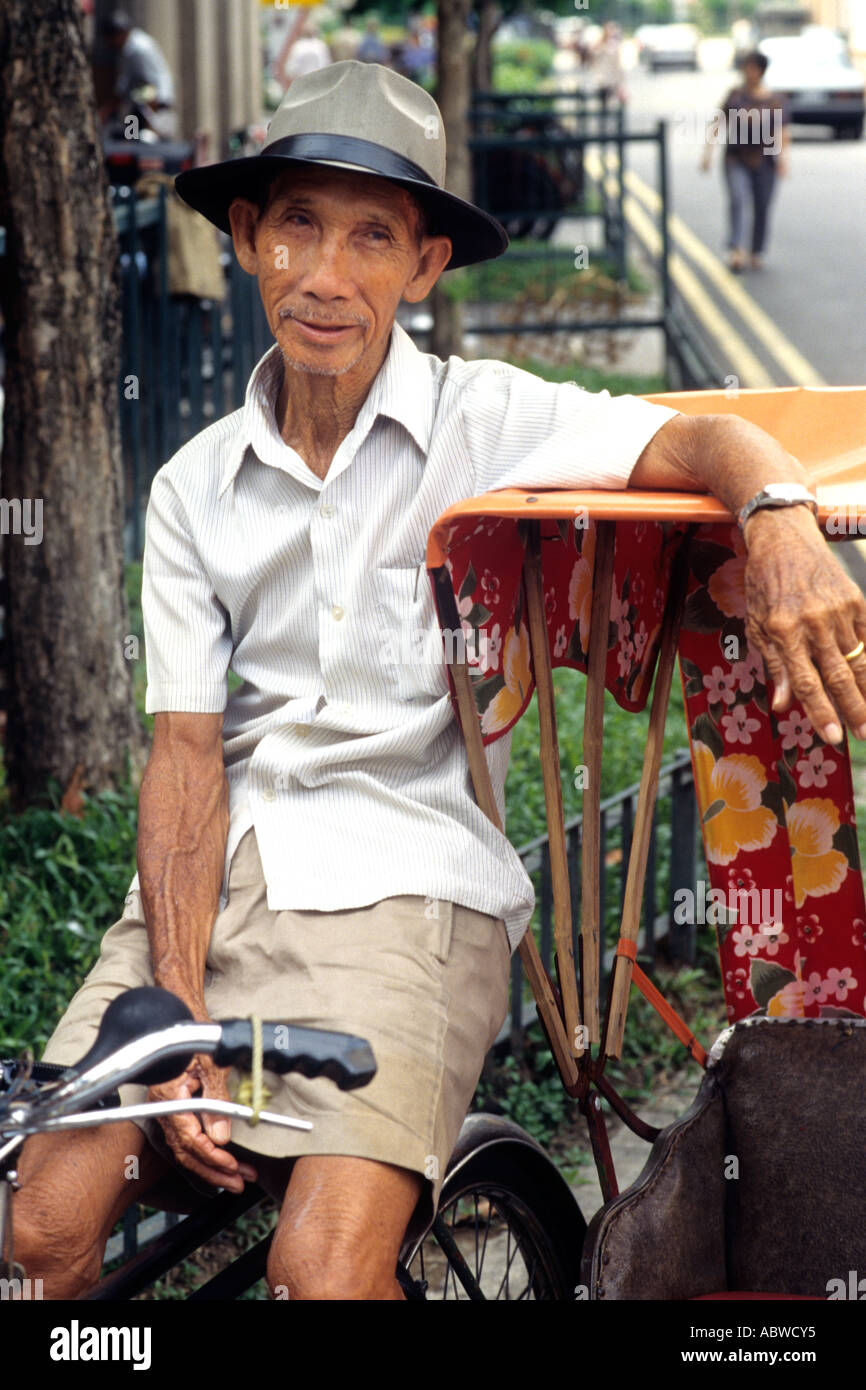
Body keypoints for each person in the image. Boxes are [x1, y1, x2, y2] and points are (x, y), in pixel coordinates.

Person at [14, 61, 866, 1302]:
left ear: (421, 267)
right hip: (215, 890)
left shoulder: (486, 419)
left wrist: (776, 512)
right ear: (248, 237)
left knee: (323, 1270)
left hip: (408, 893)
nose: (324, 274)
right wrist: (173, 1004)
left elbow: (696, 439)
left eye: (370, 236)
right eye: (296, 223)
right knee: (40, 1238)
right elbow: (186, 756)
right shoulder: (192, 485)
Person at [701, 50, 790, 271]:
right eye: (746, 67)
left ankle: (756, 251)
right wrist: (708, 152)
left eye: (752, 68)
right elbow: (718, 122)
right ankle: (736, 248)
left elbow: (782, 131)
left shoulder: (775, 100)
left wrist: (782, 158)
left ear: (760, 71)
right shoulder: (735, 96)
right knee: (738, 200)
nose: (748, 72)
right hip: (736, 157)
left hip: (765, 160)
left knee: (762, 206)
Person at [99, 9, 177, 141]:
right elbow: (125, 83)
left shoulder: (138, 48)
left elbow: (150, 84)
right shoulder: (130, 47)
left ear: (120, 33)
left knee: (147, 141)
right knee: (132, 135)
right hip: (146, 103)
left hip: (155, 105)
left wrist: (151, 115)